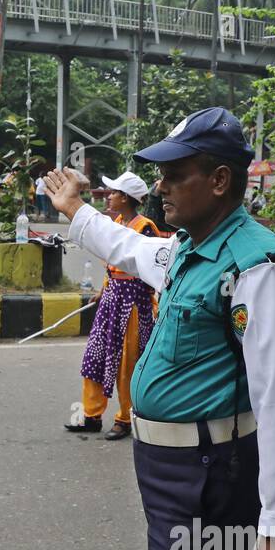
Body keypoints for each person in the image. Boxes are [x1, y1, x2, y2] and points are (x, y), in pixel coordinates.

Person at [44, 107, 275, 550]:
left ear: (219, 180)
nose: (159, 187)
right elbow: (131, 250)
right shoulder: (192, 249)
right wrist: (76, 210)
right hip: (177, 470)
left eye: (173, 174)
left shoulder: (257, 266)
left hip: (209, 474)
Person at [65, 172, 162, 441]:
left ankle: (124, 419)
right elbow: (112, 264)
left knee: (126, 363)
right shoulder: (117, 222)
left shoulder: (145, 227)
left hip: (133, 303)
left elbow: (148, 269)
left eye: (114, 193)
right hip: (111, 299)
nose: (109, 196)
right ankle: (91, 414)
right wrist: (103, 289)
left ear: (127, 198)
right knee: (95, 356)